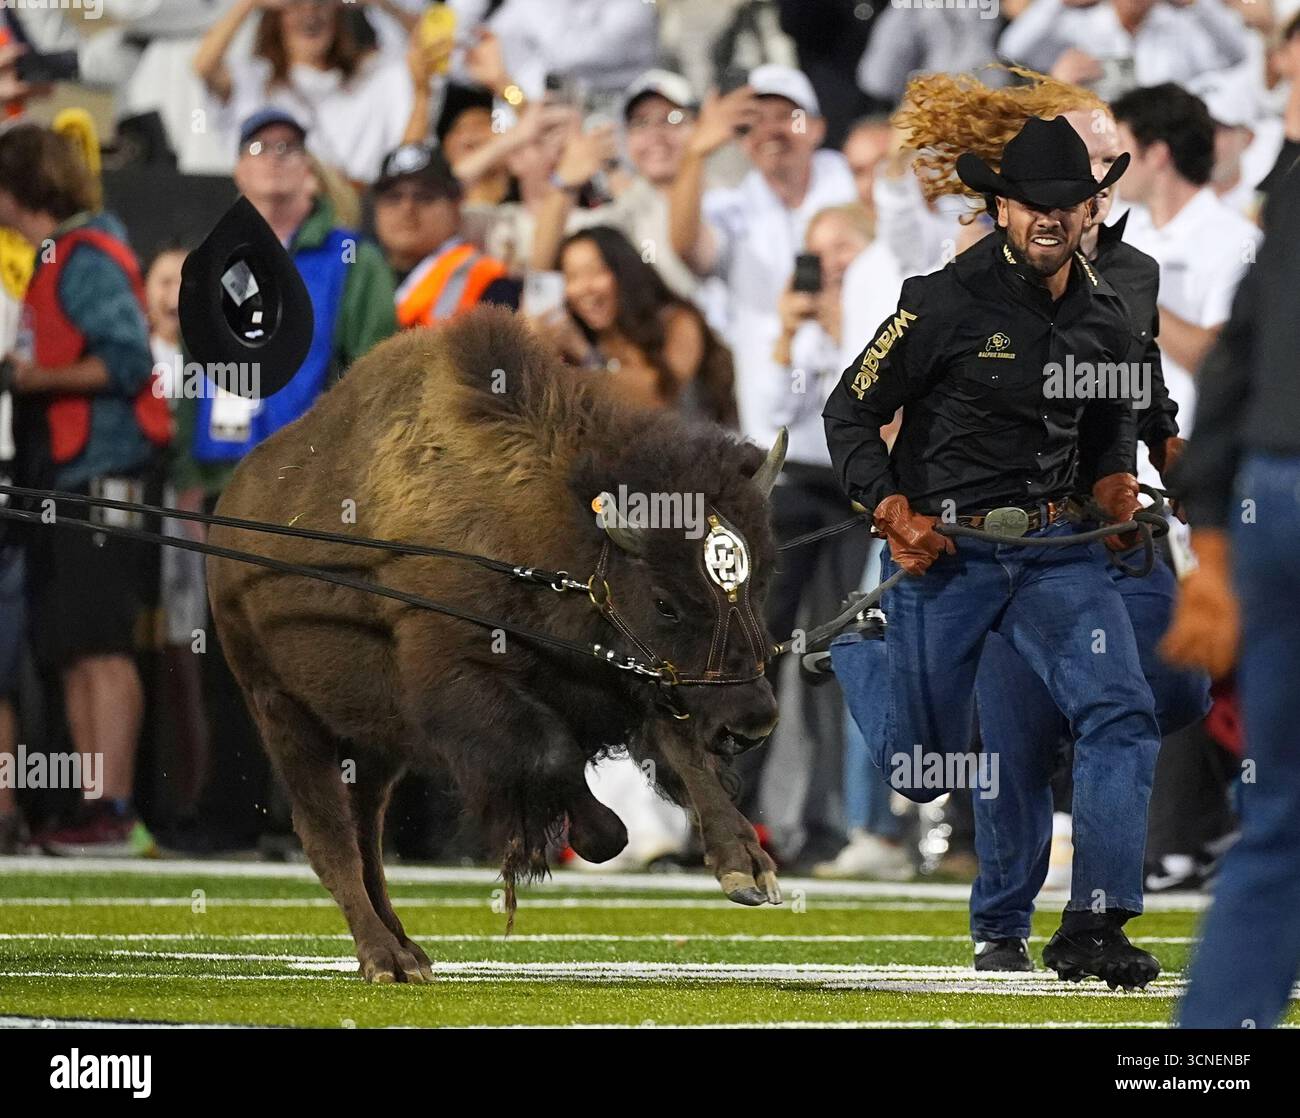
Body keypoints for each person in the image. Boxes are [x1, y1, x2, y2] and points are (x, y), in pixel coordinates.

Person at [823, 116, 1167, 989]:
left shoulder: (1108, 315)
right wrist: (890, 506)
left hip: (1057, 550)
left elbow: (1112, 420)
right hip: (950, 553)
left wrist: (1116, 486)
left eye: (1069, 204)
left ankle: (1094, 922)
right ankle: (858, 653)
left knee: (1121, 711)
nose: (1051, 219)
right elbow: (847, 412)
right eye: (1032, 204)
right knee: (920, 769)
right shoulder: (939, 301)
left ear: (1091, 209)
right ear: (1002, 207)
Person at [884, 70, 1213, 967]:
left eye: (1105, 166)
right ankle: (1006, 926)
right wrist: (901, 495)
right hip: (999, 533)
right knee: (1013, 740)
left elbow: (1134, 396)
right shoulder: (971, 275)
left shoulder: (1132, 279)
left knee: (1173, 689)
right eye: (1078, 165)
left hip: (1104, 532)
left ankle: (1095, 880)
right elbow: (908, 393)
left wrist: (1172, 458)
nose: (1091, 185)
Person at [0, 123, 173, 856]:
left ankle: (117, 808)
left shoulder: (89, 253)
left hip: (107, 473)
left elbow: (130, 360)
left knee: (102, 645)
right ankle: (95, 806)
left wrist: (29, 378)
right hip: (73, 476)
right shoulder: (62, 254)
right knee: (75, 644)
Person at [1162, 154, 1300, 1030]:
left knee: (1281, 820)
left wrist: (1210, 543)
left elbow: (1233, 353)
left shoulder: (1294, 182)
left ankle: (1208, 1059)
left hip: (1275, 492)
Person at [183, 108, 396, 484]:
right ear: (238, 171)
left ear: (309, 174)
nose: (274, 156)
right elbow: (191, 367)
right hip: (219, 477)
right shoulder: (211, 260)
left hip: (311, 483)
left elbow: (377, 374)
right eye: (258, 147)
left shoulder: (352, 259)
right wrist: (187, 479)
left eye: (288, 147)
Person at [670, 64, 856, 450]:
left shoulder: (854, 189)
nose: (771, 130)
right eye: (753, 120)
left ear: (818, 128)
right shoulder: (732, 209)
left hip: (865, 428)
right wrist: (695, 154)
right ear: (740, 140)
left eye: (789, 116)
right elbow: (687, 248)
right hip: (776, 437)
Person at [1110, 82, 1263, 492]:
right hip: (1118, 466)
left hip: (1193, 466)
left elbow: (1219, 359)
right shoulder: (1122, 234)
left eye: (1120, 148)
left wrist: (1127, 293)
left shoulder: (1236, 241)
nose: (1111, 164)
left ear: (1157, 154)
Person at [194, 0, 416, 184]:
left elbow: (432, 48)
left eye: (320, 4)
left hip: (358, 217)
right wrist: (249, 3)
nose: (310, 14)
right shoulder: (254, 78)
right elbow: (203, 65)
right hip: (274, 215)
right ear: (276, 17)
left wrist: (382, 3)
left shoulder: (372, 75)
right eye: (296, 4)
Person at [531, 70, 704, 304]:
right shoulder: (623, 212)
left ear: (699, 126)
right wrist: (564, 183)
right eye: (640, 123)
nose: (656, 135)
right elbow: (542, 263)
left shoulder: (726, 201)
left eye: (672, 118)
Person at [537, 225, 736, 426]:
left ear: (624, 270)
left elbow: (657, 396)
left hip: (703, 451)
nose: (584, 288)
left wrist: (586, 360)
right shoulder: (578, 338)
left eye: (595, 272)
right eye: (572, 277)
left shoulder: (678, 321)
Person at [372, 142, 517, 327]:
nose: (407, 208)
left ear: (456, 206)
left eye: (425, 197)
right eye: (393, 197)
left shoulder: (485, 279)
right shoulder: (360, 271)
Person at [999, 0, 1254, 101]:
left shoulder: (1180, 27)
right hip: (1096, 146)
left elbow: (1237, 54)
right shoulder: (1081, 26)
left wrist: (1197, 4)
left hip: (1162, 151)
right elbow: (1012, 49)